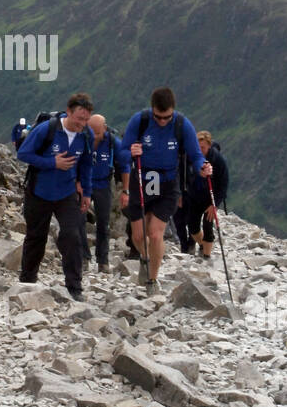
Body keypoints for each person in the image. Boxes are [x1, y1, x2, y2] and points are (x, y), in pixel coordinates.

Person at [122, 86, 212, 294]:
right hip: (141, 182)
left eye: (167, 117)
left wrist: (203, 167)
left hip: (168, 184)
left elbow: (195, 155)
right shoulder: (140, 121)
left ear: (173, 111)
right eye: (158, 117)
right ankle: (145, 257)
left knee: (155, 233)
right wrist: (130, 152)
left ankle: (152, 280)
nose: (162, 121)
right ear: (152, 110)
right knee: (137, 236)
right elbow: (122, 153)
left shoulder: (182, 124)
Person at [17, 93, 94, 299]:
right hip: (39, 191)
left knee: (72, 236)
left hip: (67, 192)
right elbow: (23, 154)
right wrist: (53, 163)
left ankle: (74, 287)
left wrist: (86, 192)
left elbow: (86, 164)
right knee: (36, 237)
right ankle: (27, 281)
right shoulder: (47, 130)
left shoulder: (86, 135)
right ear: (68, 112)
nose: (82, 123)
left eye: (86, 119)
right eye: (79, 118)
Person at [79, 114, 131, 273]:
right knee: (78, 220)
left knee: (103, 223)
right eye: (91, 132)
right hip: (83, 184)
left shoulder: (112, 142)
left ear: (105, 128)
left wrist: (125, 191)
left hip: (103, 184)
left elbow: (125, 166)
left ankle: (103, 261)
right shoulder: (81, 138)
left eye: (98, 133)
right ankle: (83, 257)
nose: (94, 136)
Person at [174, 130, 229, 260]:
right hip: (194, 196)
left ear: (209, 146)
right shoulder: (189, 156)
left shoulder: (218, 160)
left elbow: (224, 184)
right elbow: (182, 174)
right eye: (197, 147)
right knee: (192, 226)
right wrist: (180, 193)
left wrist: (214, 205)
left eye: (203, 147)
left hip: (211, 198)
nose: (200, 150)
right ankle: (202, 245)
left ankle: (206, 256)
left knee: (207, 225)